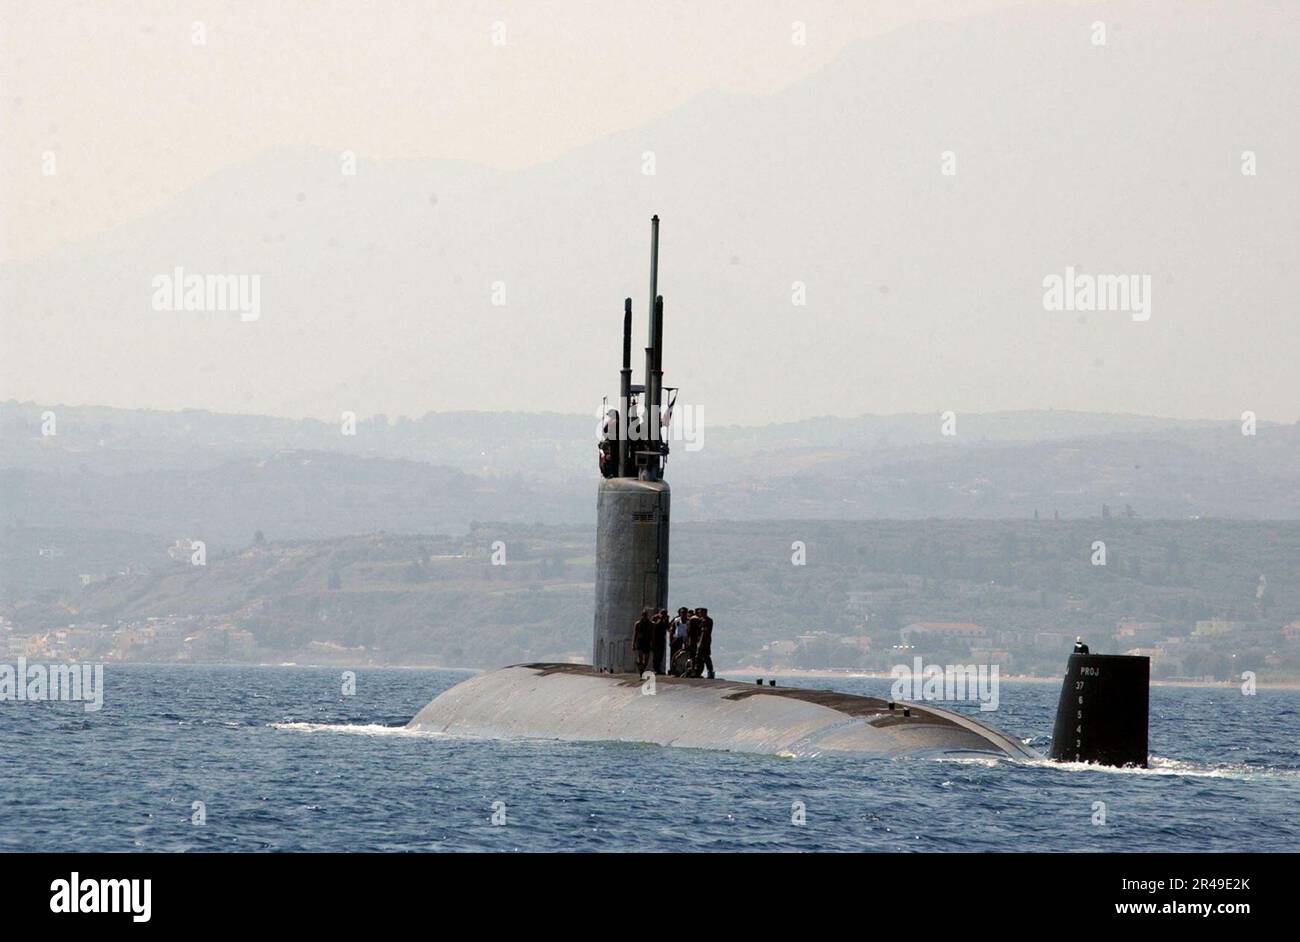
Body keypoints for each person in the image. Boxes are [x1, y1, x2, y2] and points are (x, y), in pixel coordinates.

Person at [633, 608, 653, 674]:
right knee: (640, 657)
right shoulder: (638, 624)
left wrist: (652, 643)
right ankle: (641, 668)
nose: (644, 616)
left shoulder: (650, 624)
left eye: (645, 615)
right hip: (640, 642)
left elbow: (652, 634)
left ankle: (642, 668)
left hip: (647, 642)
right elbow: (635, 634)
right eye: (643, 615)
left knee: (646, 660)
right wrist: (633, 643)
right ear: (641, 615)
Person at [696, 606, 715, 679]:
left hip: (705, 641)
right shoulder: (701, 620)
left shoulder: (706, 621)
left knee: (705, 656)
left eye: (700, 612)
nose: (699, 613)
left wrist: (700, 642)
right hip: (702, 640)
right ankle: (699, 671)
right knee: (701, 657)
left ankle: (709, 672)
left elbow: (704, 632)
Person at [669, 607, 689, 673]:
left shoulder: (689, 621)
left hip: (685, 639)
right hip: (677, 639)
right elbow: (672, 629)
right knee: (674, 655)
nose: (683, 614)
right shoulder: (676, 620)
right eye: (682, 612)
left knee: (684, 655)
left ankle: (683, 669)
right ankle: (672, 669)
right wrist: (671, 639)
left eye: (684, 613)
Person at [686, 610, 703, 677]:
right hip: (695, 640)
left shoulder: (691, 620)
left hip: (692, 640)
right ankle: (694, 671)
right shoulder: (696, 619)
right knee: (695, 656)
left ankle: (692, 671)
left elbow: (688, 631)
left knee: (692, 656)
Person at [651, 609, 668, 674]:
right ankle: (655, 669)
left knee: (661, 655)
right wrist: (660, 619)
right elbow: (654, 626)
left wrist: (666, 620)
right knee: (656, 655)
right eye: (663, 613)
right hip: (655, 639)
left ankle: (659, 669)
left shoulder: (664, 619)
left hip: (661, 639)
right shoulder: (655, 618)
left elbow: (667, 627)